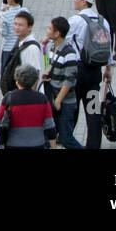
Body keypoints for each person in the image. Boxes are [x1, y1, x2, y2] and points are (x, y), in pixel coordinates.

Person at [67, 0, 113, 149]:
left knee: (72, 109)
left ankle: (68, 141)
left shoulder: (75, 21)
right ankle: (94, 145)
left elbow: (61, 41)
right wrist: (108, 69)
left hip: (77, 72)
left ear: (83, 1)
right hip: (95, 73)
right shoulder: (103, 22)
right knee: (93, 111)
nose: (74, 1)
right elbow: (108, 47)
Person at [41, 16, 81, 149]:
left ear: (57, 33)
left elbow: (70, 80)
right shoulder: (54, 47)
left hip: (65, 103)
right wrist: (47, 74)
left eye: (49, 28)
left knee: (66, 138)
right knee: (48, 135)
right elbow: (52, 66)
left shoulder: (69, 53)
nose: (47, 31)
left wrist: (58, 100)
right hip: (54, 98)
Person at [0, 65, 56, 149]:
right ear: (35, 82)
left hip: (13, 145)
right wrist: (54, 146)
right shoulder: (42, 99)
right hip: (37, 145)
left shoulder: (8, 98)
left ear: (17, 82)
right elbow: (50, 126)